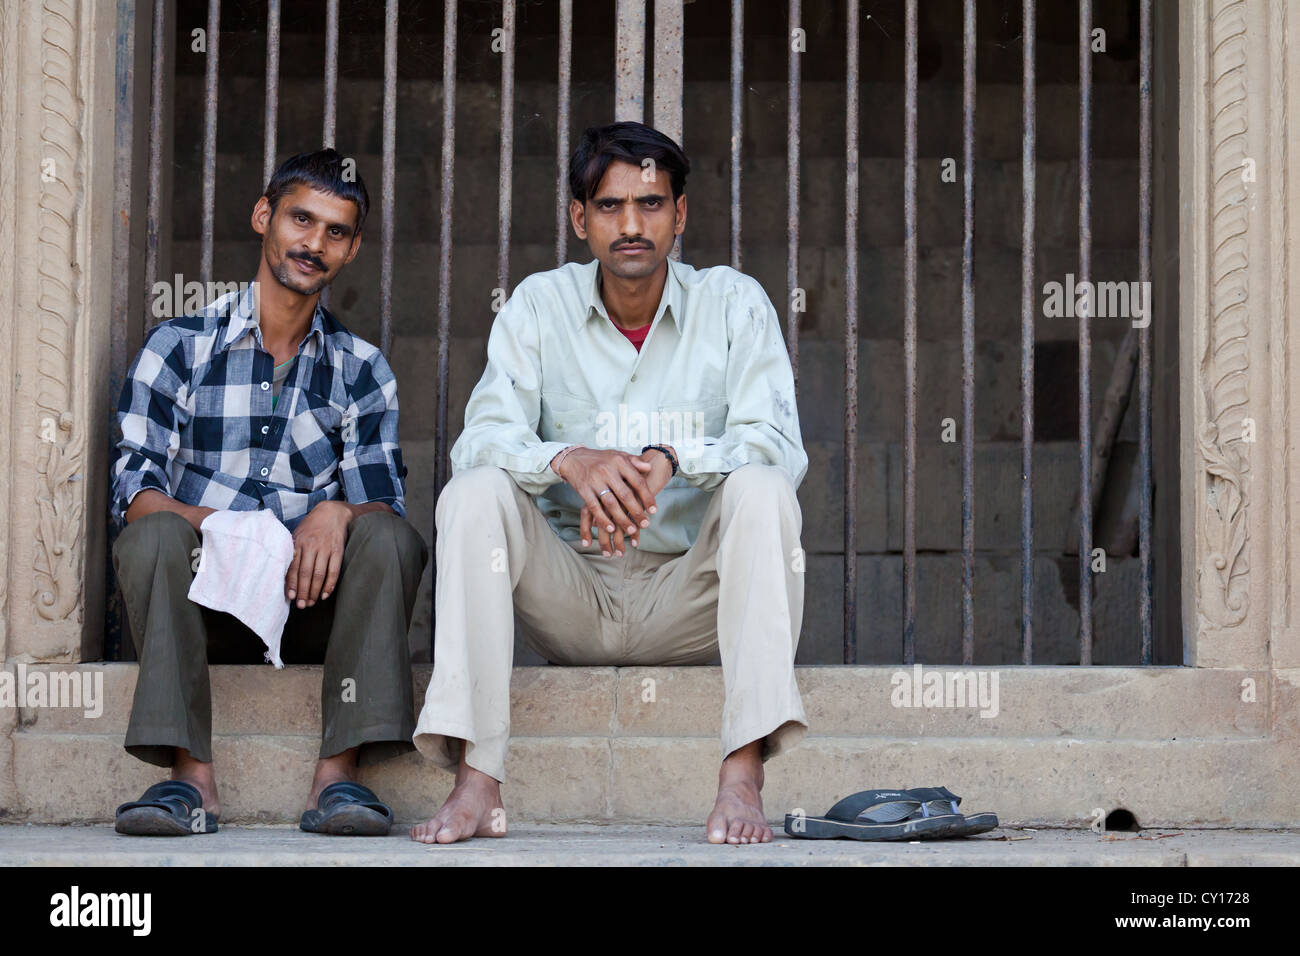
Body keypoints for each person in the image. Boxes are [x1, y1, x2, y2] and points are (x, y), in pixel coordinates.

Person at [411, 121, 809, 846]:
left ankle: (743, 774)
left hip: (690, 595)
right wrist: (567, 459)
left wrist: (672, 458)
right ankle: (477, 779)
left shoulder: (734, 303)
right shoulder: (537, 305)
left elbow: (779, 444)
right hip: (573, 592)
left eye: (652, 204)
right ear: (579, 219)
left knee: (763, 487)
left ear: (680, 214)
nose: (632, 225)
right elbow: (481, 438)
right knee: (472, 492)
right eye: (610, 206)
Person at [110, 148, 426, 837]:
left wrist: (335, 511)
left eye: (336, 231)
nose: (314, 243)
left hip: (307, 605)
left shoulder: (362, 369)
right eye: (301, 219)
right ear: (264, 216)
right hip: (199, 602)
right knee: (153, 534)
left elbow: (382, 506)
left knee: (390, 536)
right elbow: (136, 492)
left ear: (352, 249)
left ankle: (338, 779)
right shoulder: (178, 347)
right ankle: (188, 783)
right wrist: (237, 528)